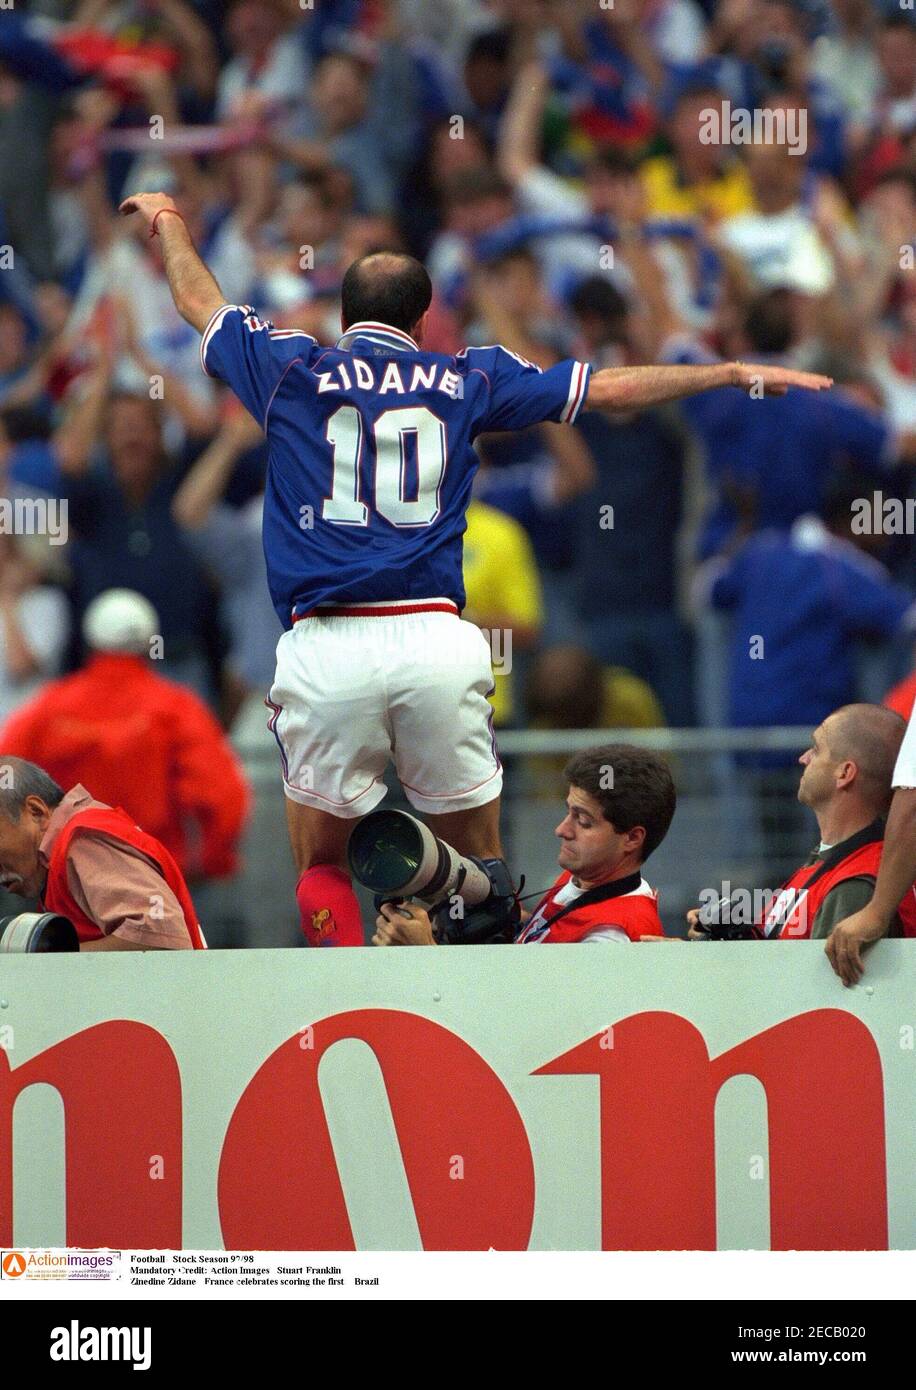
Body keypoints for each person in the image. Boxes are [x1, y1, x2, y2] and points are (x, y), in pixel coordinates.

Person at [117, 187, 832, 948]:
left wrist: (168, 221)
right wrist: (722, 371)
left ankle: (340, 1002)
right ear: (423, 321)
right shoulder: (468, 378)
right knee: (479, 863)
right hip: (432, 638)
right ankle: (479, 1010)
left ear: (342, 316)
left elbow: (201, 299)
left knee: (320, 860)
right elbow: (608, 388)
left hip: (325, 643)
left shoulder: (291, 368)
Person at [0, 589, 249, 883]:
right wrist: (215, 859)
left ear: (91, 641)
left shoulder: (51, 707)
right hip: (155, 872)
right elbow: (221, 795)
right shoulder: (175, 707)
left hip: (65, 876)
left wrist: (22, 861)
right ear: (149, 643)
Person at [374, 745, 676, 946]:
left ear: (632, 839)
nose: (562, 830)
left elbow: (534, 1030)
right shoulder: (586, 881)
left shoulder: (608, 937)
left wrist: (424, 951)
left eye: (583, 821)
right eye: (568, 812)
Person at [685, 704, 916, 941]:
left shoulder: (856, 884)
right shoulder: (832, 862)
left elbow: (818, 978)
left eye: (816, 749)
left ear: (844, 773)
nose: (803, 758)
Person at [0, 757, 205, 950]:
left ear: (36, 811)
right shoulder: (65, 854)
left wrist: (45, 965)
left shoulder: (83, 840)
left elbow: (159, 936)